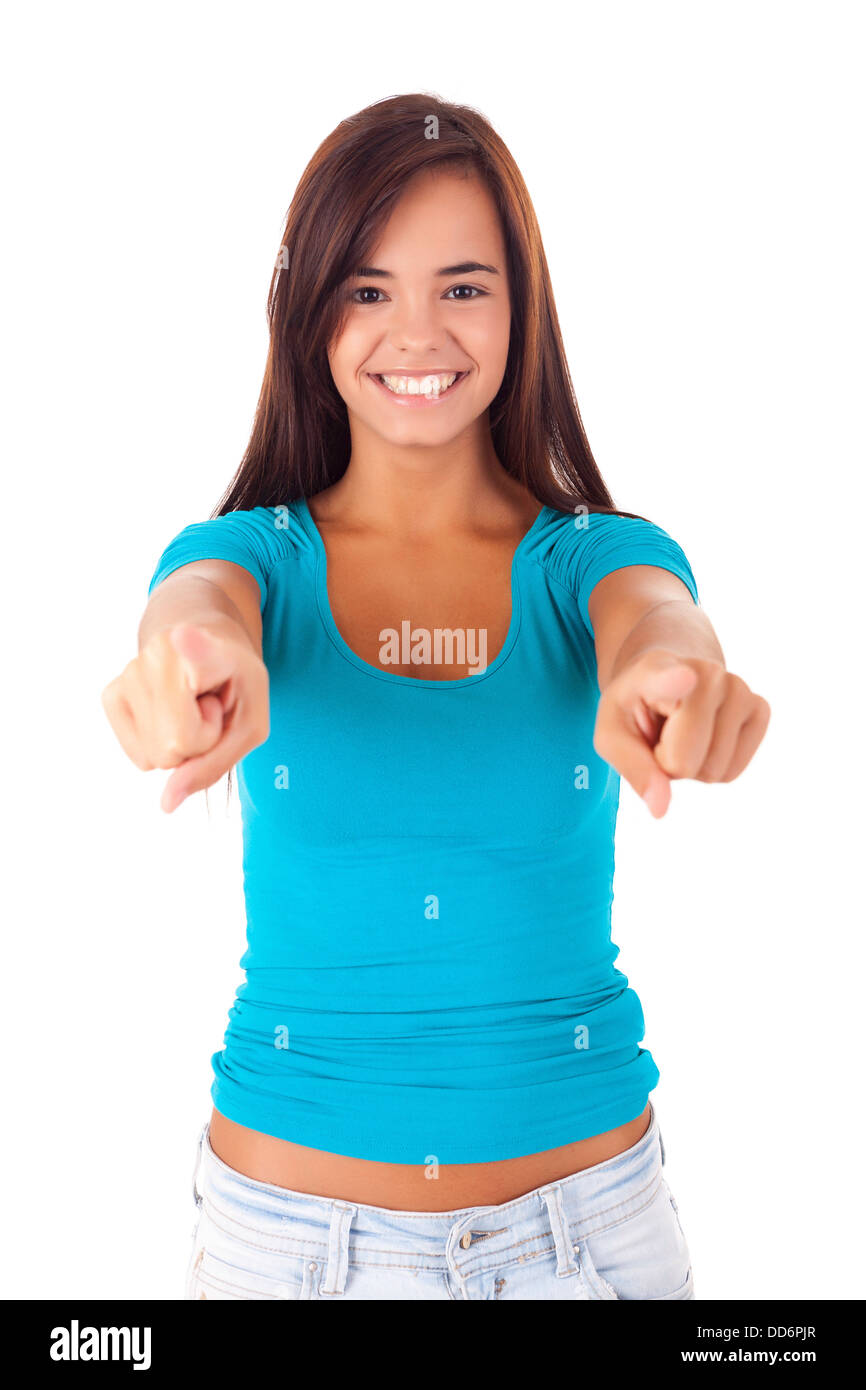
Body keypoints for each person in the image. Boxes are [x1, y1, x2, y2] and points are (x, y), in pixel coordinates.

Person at [102, 94, 770, 1301]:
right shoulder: (249, 559)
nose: (415, 332)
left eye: (462, 286)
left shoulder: (587, 556)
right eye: (366, 289)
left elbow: (655, 617)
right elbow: (192, 607)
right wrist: (188, 661)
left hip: (590, 1244)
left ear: (521, 310)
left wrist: (675, 674)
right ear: (308, 312)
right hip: (288, 1253)